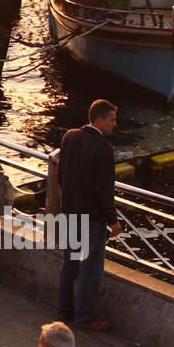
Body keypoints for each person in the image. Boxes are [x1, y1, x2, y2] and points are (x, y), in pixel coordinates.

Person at [56, 99, 121, 332]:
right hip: (92, 216)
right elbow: (104, 190)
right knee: (91, 265)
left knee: (70, 261)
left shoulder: (70, 137)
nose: (115, 124)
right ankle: (85, 316)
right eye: (112, 119)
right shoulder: (103, 148)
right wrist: (112, 219)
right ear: (99, 120)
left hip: (71, 211)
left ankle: (64, 309)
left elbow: (61, 174)